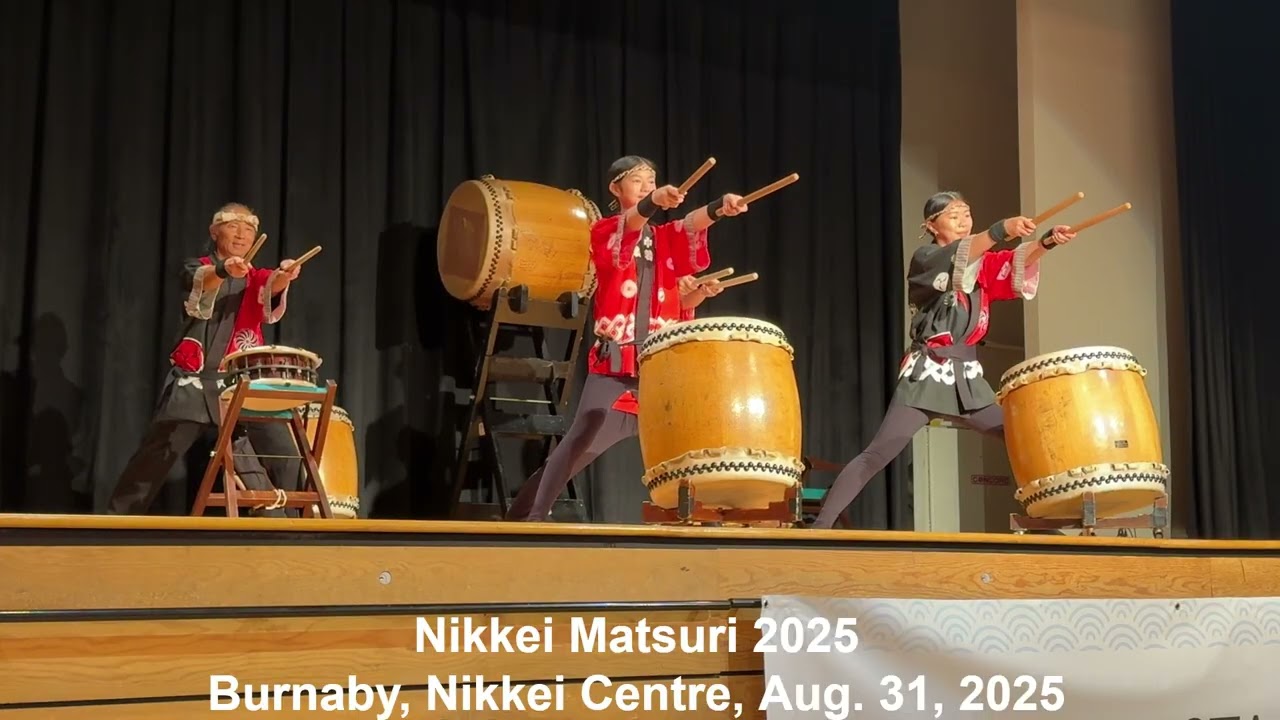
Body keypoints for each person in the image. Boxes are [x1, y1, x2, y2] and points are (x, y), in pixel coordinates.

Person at [812, 191, 1076, 529]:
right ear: (932, 226)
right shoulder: (927, 258)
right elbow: (967, 255)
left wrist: (1047, 242)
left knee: (1022, 433)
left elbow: (1011, 262)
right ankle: (821, 527)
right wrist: (1002, 228)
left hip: (965, 378)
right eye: (954, 215)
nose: (964, 219)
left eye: (967, 213)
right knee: (878, 454)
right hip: (928, 375)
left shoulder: (979, 270)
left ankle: (1052, 513)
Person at [505, 155, 748, 521]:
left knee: (689, 441)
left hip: (658, 367)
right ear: (615, 189)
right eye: (638, 181)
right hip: (617, 361)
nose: (647, 186)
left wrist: (719, 209)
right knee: (580, 444)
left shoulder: (664, 239)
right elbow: (630, 227)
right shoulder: (605, 232)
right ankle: (530, 517)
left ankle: (700, 516)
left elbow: (688, 230)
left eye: (651, 180)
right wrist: (653, 203)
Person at [108, 203, 305, 516]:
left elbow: (269, 285)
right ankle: (116, 520)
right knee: (160, 454)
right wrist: (225, 269)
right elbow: (202, 281)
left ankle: (293, 524)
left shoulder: (254, 277)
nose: (242, 233)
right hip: (198, 383)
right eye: (233, 225)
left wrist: (286, 276)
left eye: (249, 227)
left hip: (243, 385)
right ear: (215, 232)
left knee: (284, 453)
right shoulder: (197, 266)